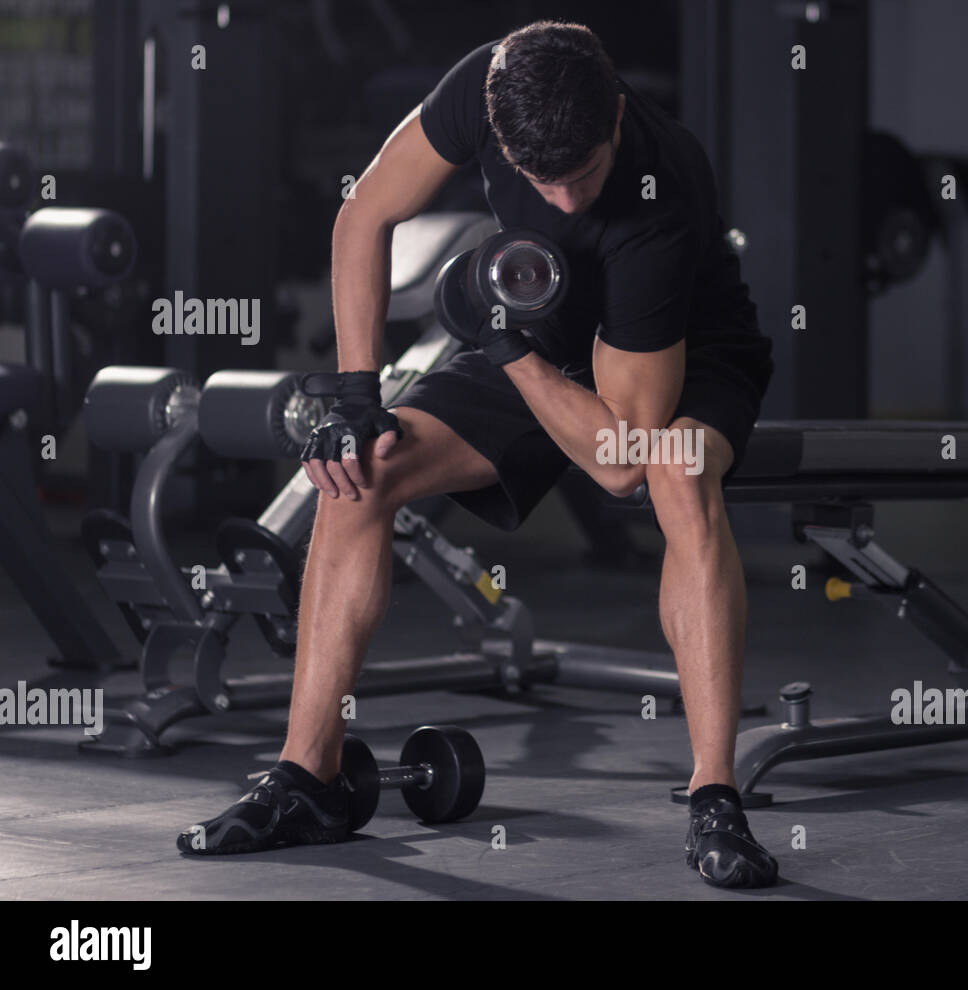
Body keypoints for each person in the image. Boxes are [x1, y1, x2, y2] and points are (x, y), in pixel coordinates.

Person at [178, 20, 777, 889]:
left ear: (613, 120)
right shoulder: (485, 87)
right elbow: (365, 213)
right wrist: (357, 399)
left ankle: (714, 797)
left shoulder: (660, 184)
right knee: (365, 472)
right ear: (500, 136)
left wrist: (504, 348)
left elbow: (617, 456)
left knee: (679, 474)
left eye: (582, 178)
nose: (565, 202)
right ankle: (305, 779)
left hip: (681, 353)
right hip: (538, 329)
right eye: (543, 183)